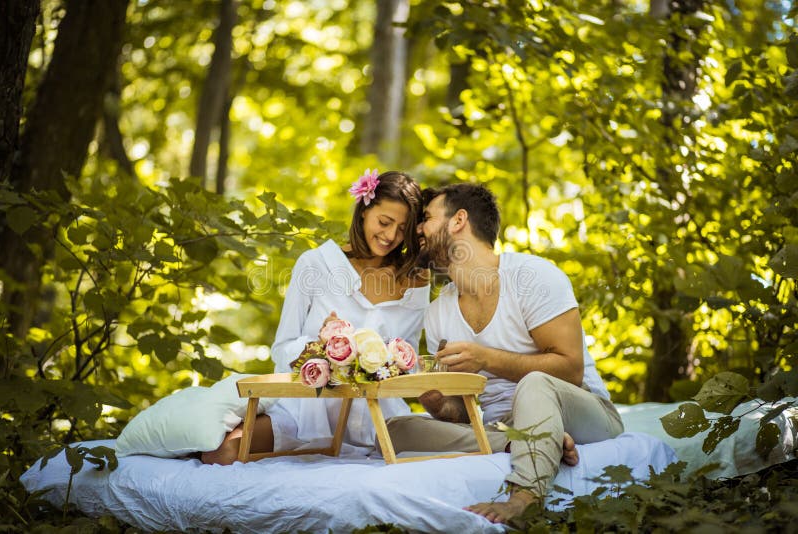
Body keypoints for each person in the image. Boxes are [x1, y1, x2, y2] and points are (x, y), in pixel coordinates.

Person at [386, 183, 623, 523]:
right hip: (502, 426)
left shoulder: (533, 277)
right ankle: (520, 443)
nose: (418, 229)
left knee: (535, 383)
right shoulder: (439, 313)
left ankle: (524, 497)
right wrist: (436, 399)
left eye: (425, 218)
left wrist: (486, 358)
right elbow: (463, 415)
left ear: (458, 220)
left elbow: (571, 370)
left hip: (583, 409)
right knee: (396, 431)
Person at [201, 170, 429, 464]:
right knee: (221, 452)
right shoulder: (316, 264)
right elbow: (282, 349)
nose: (390, 237)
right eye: (384, 222)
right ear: (363, 212)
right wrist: (320, 348)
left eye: (402, 230)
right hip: (307, 412)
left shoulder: (416, 282)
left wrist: (390, 362)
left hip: (377, 418)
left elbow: (408, 363)